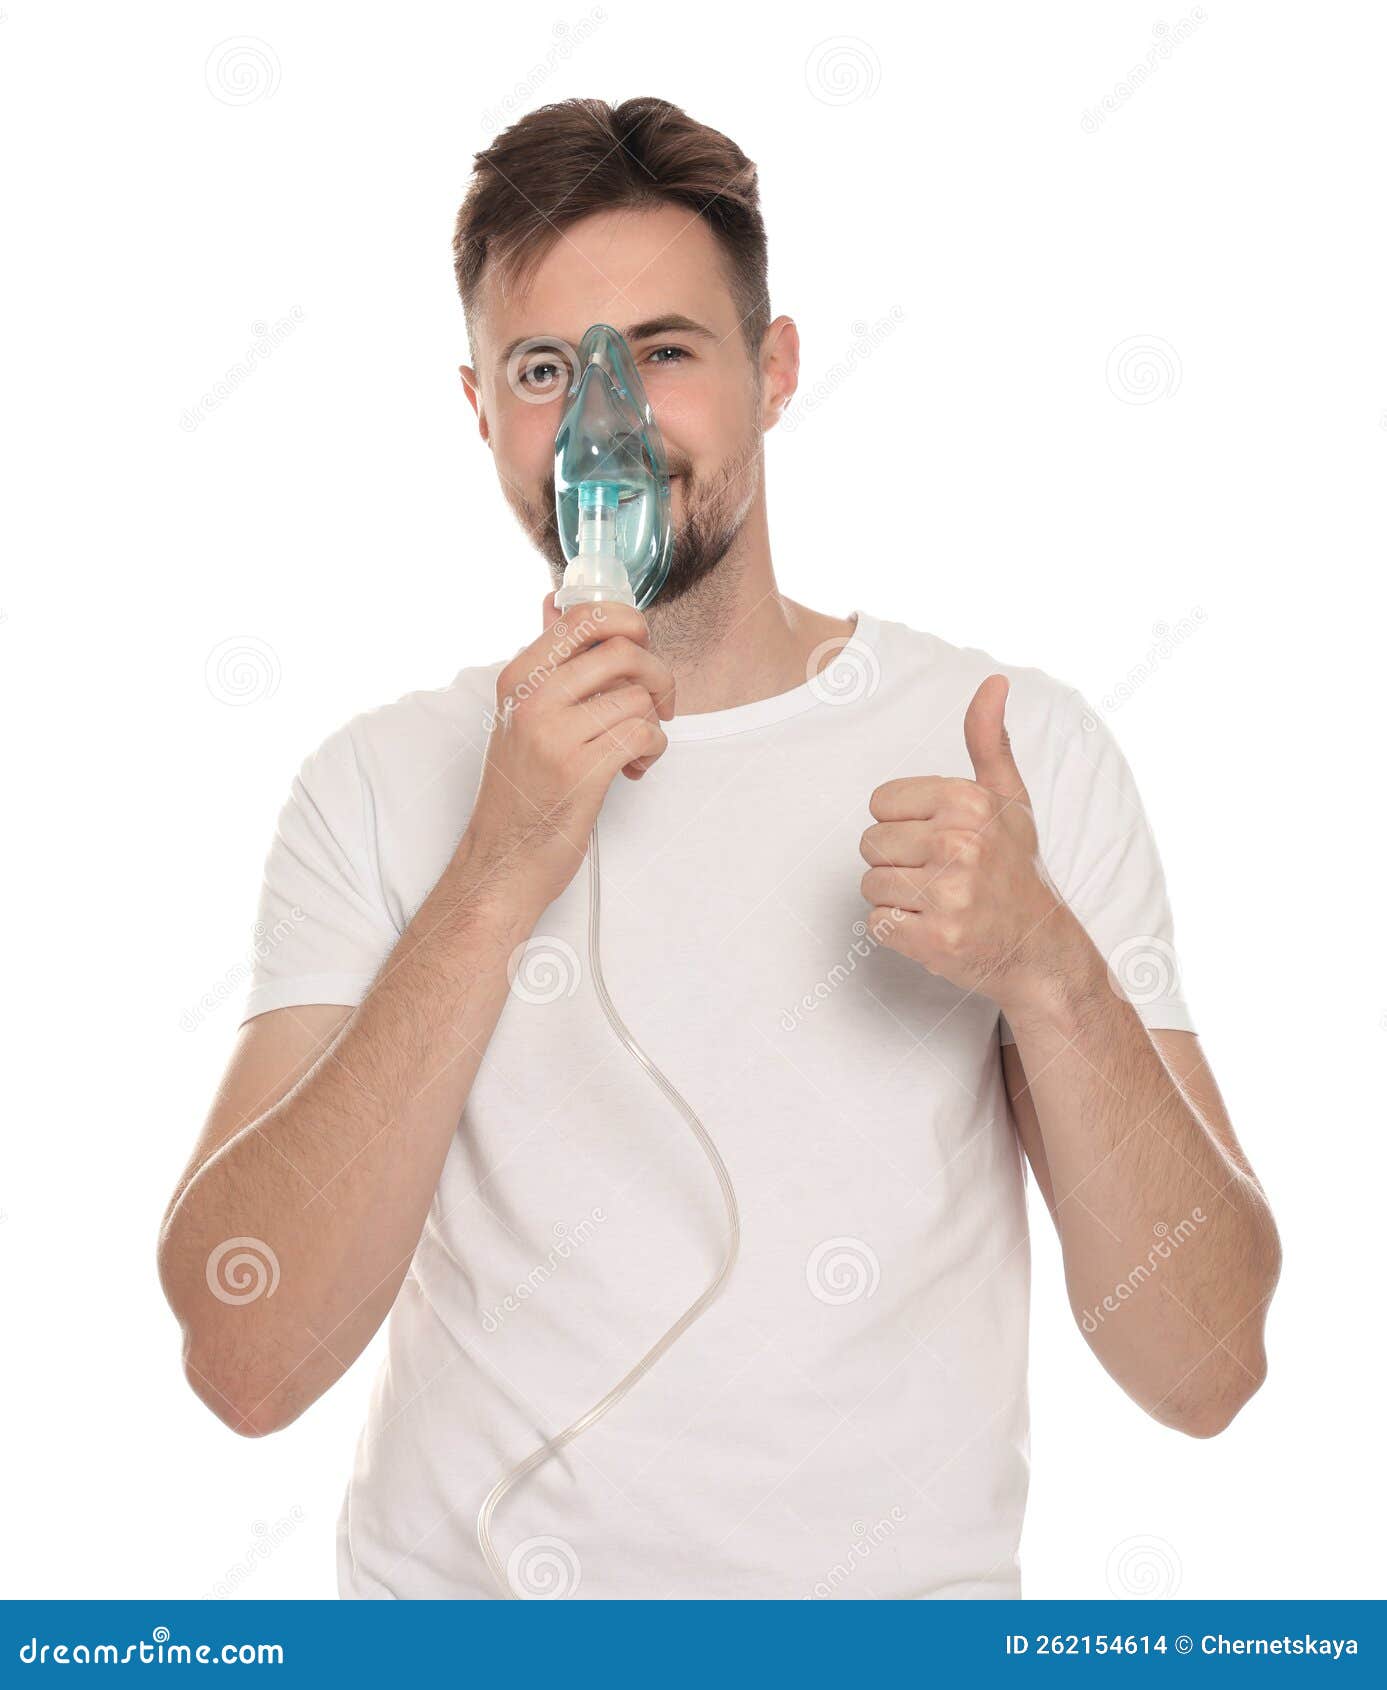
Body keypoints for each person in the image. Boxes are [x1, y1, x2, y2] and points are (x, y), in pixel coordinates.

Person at [157, 96, 1280, 1601]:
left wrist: (1047, 971)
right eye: (548, 367)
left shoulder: (1001, 746)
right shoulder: (378, 783)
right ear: (481, 408)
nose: (604, 416)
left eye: (666, 351)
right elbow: (246, 1356)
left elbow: (1207, 1365)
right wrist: (496, 868)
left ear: (778, 370)